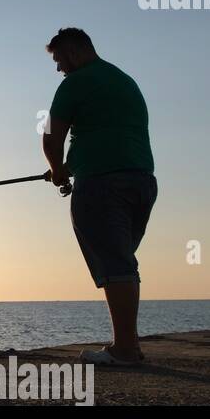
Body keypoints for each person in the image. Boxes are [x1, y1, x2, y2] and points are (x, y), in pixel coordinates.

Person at [42, 28, 157, 365]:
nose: (59, 69)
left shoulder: (76, 83)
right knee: (121, 260)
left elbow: (50, 137)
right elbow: (108, 132)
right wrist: (67, 166)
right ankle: (129, 346)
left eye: (60, 60)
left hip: (102, 184)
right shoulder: (123, 80)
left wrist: (57, 168)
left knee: (115, 263)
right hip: (142, 182)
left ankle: (124, 350)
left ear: (75, 53)